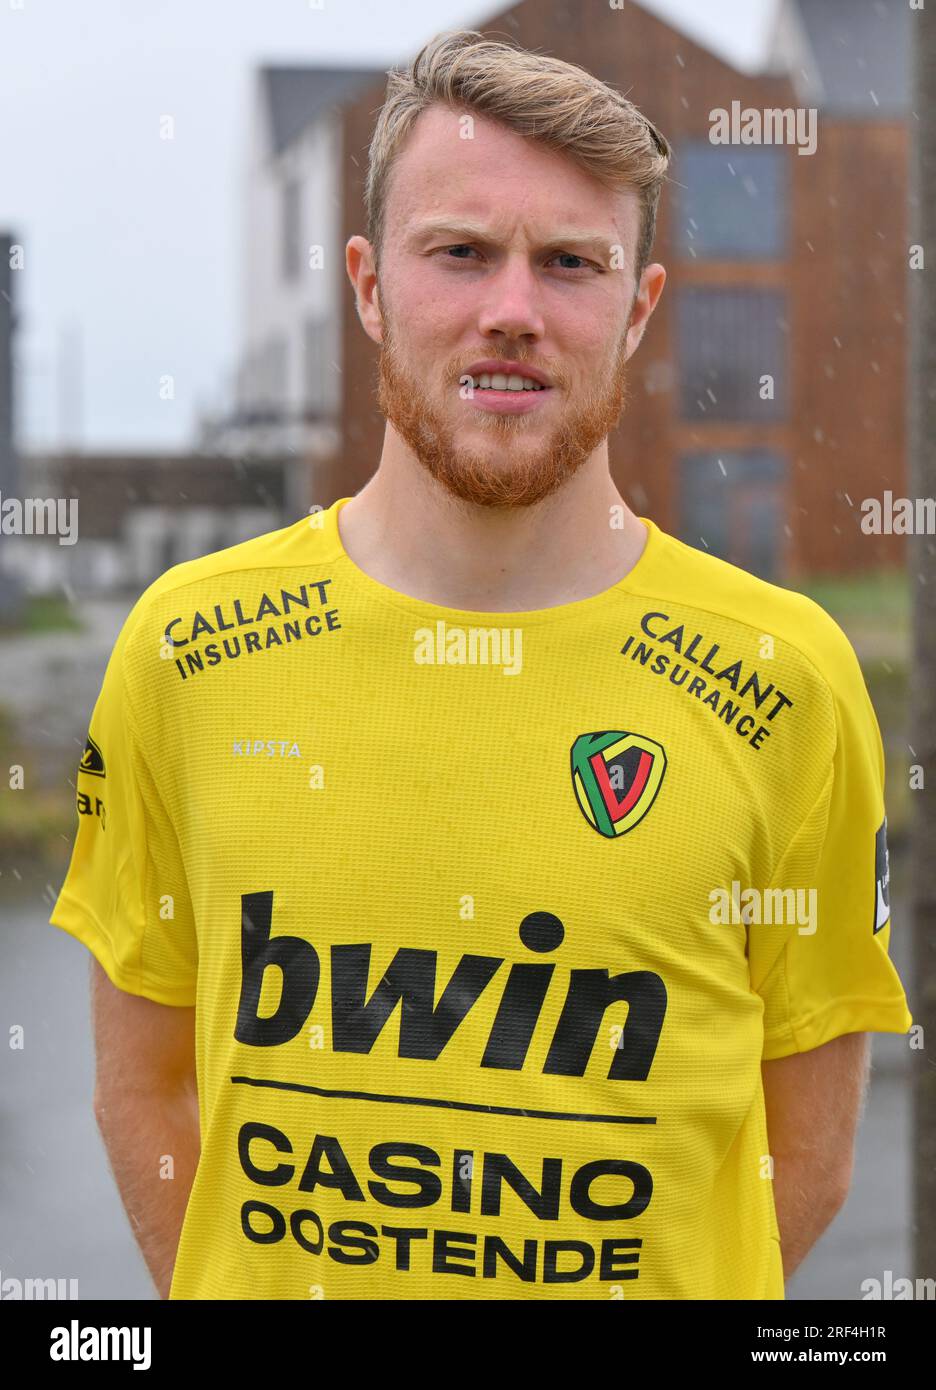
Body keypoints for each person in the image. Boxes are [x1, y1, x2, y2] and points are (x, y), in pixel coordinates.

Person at [50, 28, 912, 1300]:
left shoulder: (785, 676)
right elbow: (142, 1086)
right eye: (460, 252)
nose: (514, 307)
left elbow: (814, 1154)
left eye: (572, 262)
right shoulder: (191, 650)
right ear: (368, 287)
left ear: (639, 310)